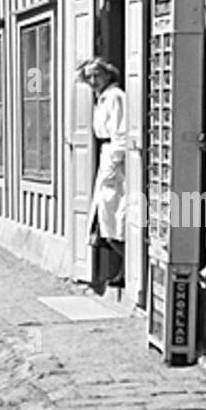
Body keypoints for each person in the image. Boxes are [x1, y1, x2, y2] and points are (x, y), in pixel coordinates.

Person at [79, 56, 127, 289]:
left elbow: (121, 133)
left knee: (114, 218)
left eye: (97, 74)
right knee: (105, 219)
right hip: (105, 153)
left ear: (108, 74)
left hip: (115, 159)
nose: (93, 80)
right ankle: (123, 269)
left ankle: (128, 267)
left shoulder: (116, 97)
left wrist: (112, 165)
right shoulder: (101, 99)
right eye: (89, 76)